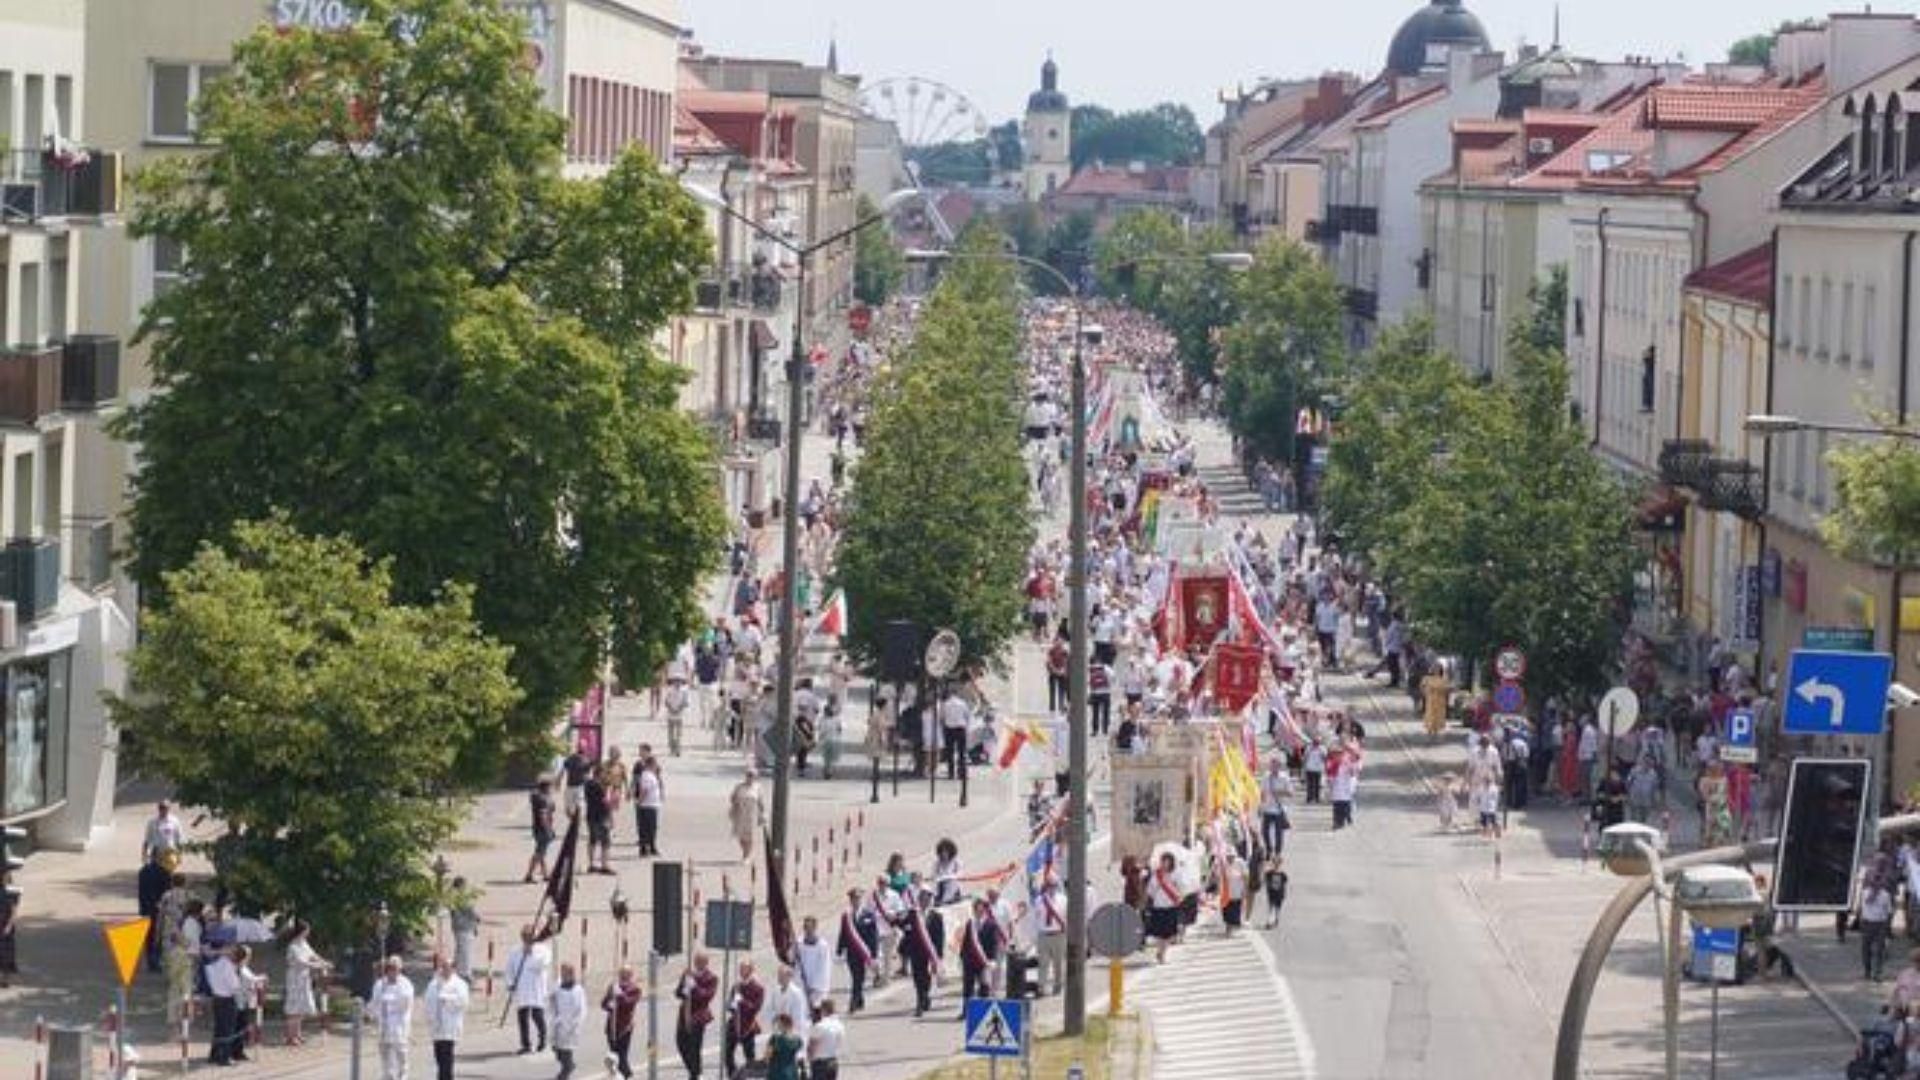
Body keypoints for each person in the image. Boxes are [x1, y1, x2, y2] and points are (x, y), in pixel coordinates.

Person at [282, 921, 329, 1046]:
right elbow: (301, 962)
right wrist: (319, 966)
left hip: (304, 978)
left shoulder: (304, 943)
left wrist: (324, 961)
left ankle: (297, 1034)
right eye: (307, 930)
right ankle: (290, 1037)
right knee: (294, 1008)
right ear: (302, 931)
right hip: (295, 978)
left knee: (302, 1007)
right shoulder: (292, 946)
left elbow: (313, 955)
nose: (308, 932)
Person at [509, 924, 554, 1054]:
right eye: (524, 936)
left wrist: (530, 954)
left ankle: (542, 1039)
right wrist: (511, 982)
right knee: (522, 1017)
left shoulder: (543, 950)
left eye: (529, 937)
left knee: (537, 1015)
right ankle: (525, 1044)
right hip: (522, 989)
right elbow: (510, 969)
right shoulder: (515, 951)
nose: (526, 939)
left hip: (536, 988)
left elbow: (543, 964)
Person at [370, 955, 416, 1080]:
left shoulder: (406, 984)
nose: (392, 971)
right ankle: (388, 1075)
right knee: (385, 1052)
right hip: (384, 1024)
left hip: (399, 1024)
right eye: (390, 968)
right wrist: (371, 1013)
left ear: (399, 969)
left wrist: (391, 1001)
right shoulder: (380, 984)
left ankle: (403, 1074)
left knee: (401, 1052)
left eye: (395, 968)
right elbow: (374, 1001)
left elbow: (406, 1003)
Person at [425, 952, 469, 1080]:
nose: (445, 969)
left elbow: (463, 1002)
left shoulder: (459, 984)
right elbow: (428, 1001)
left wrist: (447, 999)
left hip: (450, 1026)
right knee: (438, 1056)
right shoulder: (434, 983)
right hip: (436, 1027)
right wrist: (429, 1017)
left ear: (453, 968)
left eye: (448, 967)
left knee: (446, 1057)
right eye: (443, 966)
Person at [674, 952, 718, 1078]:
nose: (697, 964)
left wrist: (694, 986)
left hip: (698, 1016)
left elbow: (706, 997)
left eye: (700, 961)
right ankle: (695, 1071)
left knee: (694, 1047)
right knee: (681, 1043)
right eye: (696, 961)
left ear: (706, 962)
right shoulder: (688, 974)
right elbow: (678, 994)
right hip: (684, 1014)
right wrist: (684, 986)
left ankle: (695, 1075)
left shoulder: (711, 978)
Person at [901, 894, 944, 1018]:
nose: (924, 902)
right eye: (922, 899)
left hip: (930, 952)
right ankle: (920, 1001)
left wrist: (939, 955)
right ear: (919, 900)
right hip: (915, 951)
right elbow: (902, 925)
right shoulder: (913, 914)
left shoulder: (936, 916)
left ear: (930, 901)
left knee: (926, 977)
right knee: (917, 976)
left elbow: (939, 937)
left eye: (927, 899)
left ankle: (925, 996)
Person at [837, 888, 878, 1014]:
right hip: (851, 951)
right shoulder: (846, 916)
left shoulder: (869, 914)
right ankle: (859, 998)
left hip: (864, 951)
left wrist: (874, 953)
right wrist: (840, 948)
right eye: (853, 899)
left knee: (858, 977)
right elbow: (843, 933)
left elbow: (873, 935)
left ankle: (854, 1001)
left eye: (857, 898)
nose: (855, 901)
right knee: (856, 976)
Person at [959, 898, 1004, 1011]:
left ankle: (983, 1011)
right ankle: (966, 1010)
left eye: (980, 908)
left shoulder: (991, 924)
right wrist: (962, 956)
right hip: (969, 960)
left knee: (984, 986)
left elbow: (994, 943)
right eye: (976, 908)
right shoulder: (971, 923)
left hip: (984, 960)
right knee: (968, 986)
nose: (978, 911)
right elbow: (966, 941)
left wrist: (992, 959)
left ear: (984, 909)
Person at [723, 960, 765, 1076]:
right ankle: (733, 1075)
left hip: (748, 1025)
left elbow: (755, 1008)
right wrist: (731, 1004)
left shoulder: (758, 988)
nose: (741, 971)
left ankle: (750, 1076)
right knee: (727, 1053)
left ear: (751, 970)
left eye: (744, 969)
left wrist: (742, 1001)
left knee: (749, 1056)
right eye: (740, 969)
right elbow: (731, 1007)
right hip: (735, 1023)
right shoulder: (737, 986)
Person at [601, 965, 641, 1079]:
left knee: (621, 1057)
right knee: (613, 1056)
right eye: (621, 974)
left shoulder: (635, 989)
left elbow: (629, 1004)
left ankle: (627, 1075)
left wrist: (620, 995)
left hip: (624, 1027)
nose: (623, 976)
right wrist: (610, 1005)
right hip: (611, 1027)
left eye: (626, 974)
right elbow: (603, 1004)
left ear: (630, 975)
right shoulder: (613, 987)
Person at [206, 943, 242, 1065]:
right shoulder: (228, 966)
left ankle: (214, 1055)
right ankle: (224, 1057)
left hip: (217, 998)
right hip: (227, 999)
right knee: (227, 1029)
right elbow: (234, 986)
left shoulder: (219, 962)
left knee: (219, 1028)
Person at [550, 961, 587, 1079]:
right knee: (558, 1053)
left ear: (571, 974)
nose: (563, 975)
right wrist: (551, 998)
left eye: (566, 973)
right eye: (562, 972)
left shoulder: (577, 990)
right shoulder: (557, 986)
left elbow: (582, 1009)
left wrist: (576, 1024)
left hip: (571, 1026)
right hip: (558, 1024)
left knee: (566, 1052)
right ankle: (569, 1065)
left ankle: (565, 1073)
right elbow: (551, 1000)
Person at [1147, 852, 1184, 963]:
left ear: (1171, 862)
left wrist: (1175, 891)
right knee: (1160, 933)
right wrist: (1158, 886)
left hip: (1171, 906)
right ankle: (1161, 953)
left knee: (1170, 934)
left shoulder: (1176, 874)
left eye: (1168, 861)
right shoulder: (1156, 875)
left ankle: (1161, 951)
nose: (1165, 864)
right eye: (1163, 861)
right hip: (1159, 906)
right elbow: (1150, 890)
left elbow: (1181, 887)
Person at [1863, 874, 1899, 982]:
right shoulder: (1865, 893)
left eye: (1878, 882)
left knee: (1880, 949)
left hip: (1880, 923)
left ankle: (1877, 973)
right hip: (1867, 922)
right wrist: (1873, 893)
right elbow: (1867, 902)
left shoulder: (1885, 895)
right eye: (1873, 882)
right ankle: (1867, 970)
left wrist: (1886, 926)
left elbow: (1889, 911)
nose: (1875, 885)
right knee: (1866, 949)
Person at [1258, 756, 1294, 855]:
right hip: (1267, 808)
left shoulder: (1284, 778)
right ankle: (1269, 849)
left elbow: (1291, 793)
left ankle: (1278, 852)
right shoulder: (1266, 777)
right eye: (1272, 765)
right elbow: (1262, 792)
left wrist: (1279, 792)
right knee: (1264, 832)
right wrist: (1260, 806)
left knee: (1279, 833)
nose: (1273, 767)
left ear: (1279, 766)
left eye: (1276, 765)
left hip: (1279, 809)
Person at [728, 770, 763, 863]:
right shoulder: (739, 787)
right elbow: (732, 798)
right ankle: (744, 851)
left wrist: (762, 814)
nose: (750, 778)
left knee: (750, 836)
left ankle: (746, 856)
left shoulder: (757, 787)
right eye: (749, 775)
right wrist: (735, 805)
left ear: (756, 778)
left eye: (753, 776)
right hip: (740, 813)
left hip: (752, 814)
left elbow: (760, 802)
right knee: (740, 835)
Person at [447, 880, 480, 981]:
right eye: (464, 886)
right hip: (464, 927)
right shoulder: (460, 897)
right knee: (465, 951)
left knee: (460, 950)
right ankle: (465, 973)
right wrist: (477, 918)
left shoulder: (451, 897)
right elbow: (470, 910)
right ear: (460, 886)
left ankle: (456, 970)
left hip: (459, 927)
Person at [526, 779, 557, 883]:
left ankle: (545, 874)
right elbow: (543, 815)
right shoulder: (543, 800)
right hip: (543, 829)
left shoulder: (537, 798)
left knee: (542, 852)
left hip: (537, 828)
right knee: (539, 852)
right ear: (547, 788)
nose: (552, 789)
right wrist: (548, 829)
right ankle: (530, 874)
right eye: (551, 787)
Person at [634, 752, 664, 858]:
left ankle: (651, 846)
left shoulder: (652, 775)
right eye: (654, 764)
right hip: (647, 805)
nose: (656, 766)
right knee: (646, 828)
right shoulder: (646, 775)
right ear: (650, 764)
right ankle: (644, 848)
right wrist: (640, 802)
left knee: (652, 828)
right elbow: (644, 790)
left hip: (653, 804)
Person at [808, 999, 846, 1080]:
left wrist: (809, 1058)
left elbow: (812, 1046)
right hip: (833, 1060)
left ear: (823, 1010)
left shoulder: (819, 1026)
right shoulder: (839, 1025)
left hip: (820, 1063)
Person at [143, 800, 186, 868]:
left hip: (170, 852)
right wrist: (144, 855)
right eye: (161, 807)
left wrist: (180, 854)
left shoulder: (174, 821)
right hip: (157, 853)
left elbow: (179, 838)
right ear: (158, 809)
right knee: (156, 874)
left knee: (169, 875)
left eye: (165, 808)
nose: (163, 810)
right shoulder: (152, 822)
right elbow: (147, 839)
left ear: (168, 809)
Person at [764, 1013, 804, 1080]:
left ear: (781, 1024)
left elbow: (768, 1055)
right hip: (792, 1072)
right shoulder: (797, 1039)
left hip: (777, 1072)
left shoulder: (775, 1038)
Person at [1261, 856, 1290, 931]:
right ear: (1272, 863)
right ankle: (1269, 921)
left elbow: (1285, 884)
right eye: (1274, 863)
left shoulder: (1283, 874)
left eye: (1278, 863)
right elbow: (1265, 881)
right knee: (1271, 907)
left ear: (1280, 864)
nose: (1276, 865)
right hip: (1271, 892)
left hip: (1280, 893)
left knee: (1278, 907)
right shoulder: (1269, 873)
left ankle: (1276, 918)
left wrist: (1285, 893)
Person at [1302, 740, 1326, 805]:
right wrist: (1304, 767)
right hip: (1309, 768)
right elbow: (1305, 757)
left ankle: (1317, 798)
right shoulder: (1309, 748)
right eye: (1315, 742)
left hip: (1318, 768)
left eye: (1317, 742)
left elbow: (1325, 758)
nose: (1316, 744)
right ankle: (1309, 798)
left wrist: (1321, 752)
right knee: (1310, 784)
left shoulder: (1322, 748)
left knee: (1317, 784)